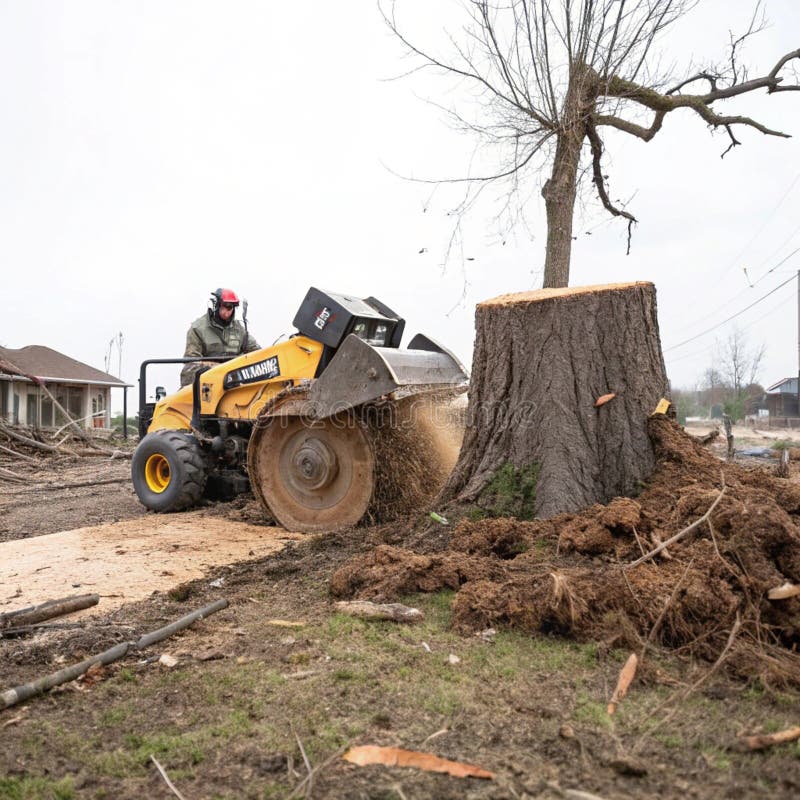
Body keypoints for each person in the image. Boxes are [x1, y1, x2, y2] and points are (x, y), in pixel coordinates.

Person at [180, 288, 261, 386]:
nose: (228, 311)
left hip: (236, 384)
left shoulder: (239, 330)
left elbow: (257, 352)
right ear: (215, 306)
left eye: (231, 307)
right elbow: (191, 364)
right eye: (225, 306)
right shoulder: (198, 329)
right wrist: (220, 370)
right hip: (208, 385)